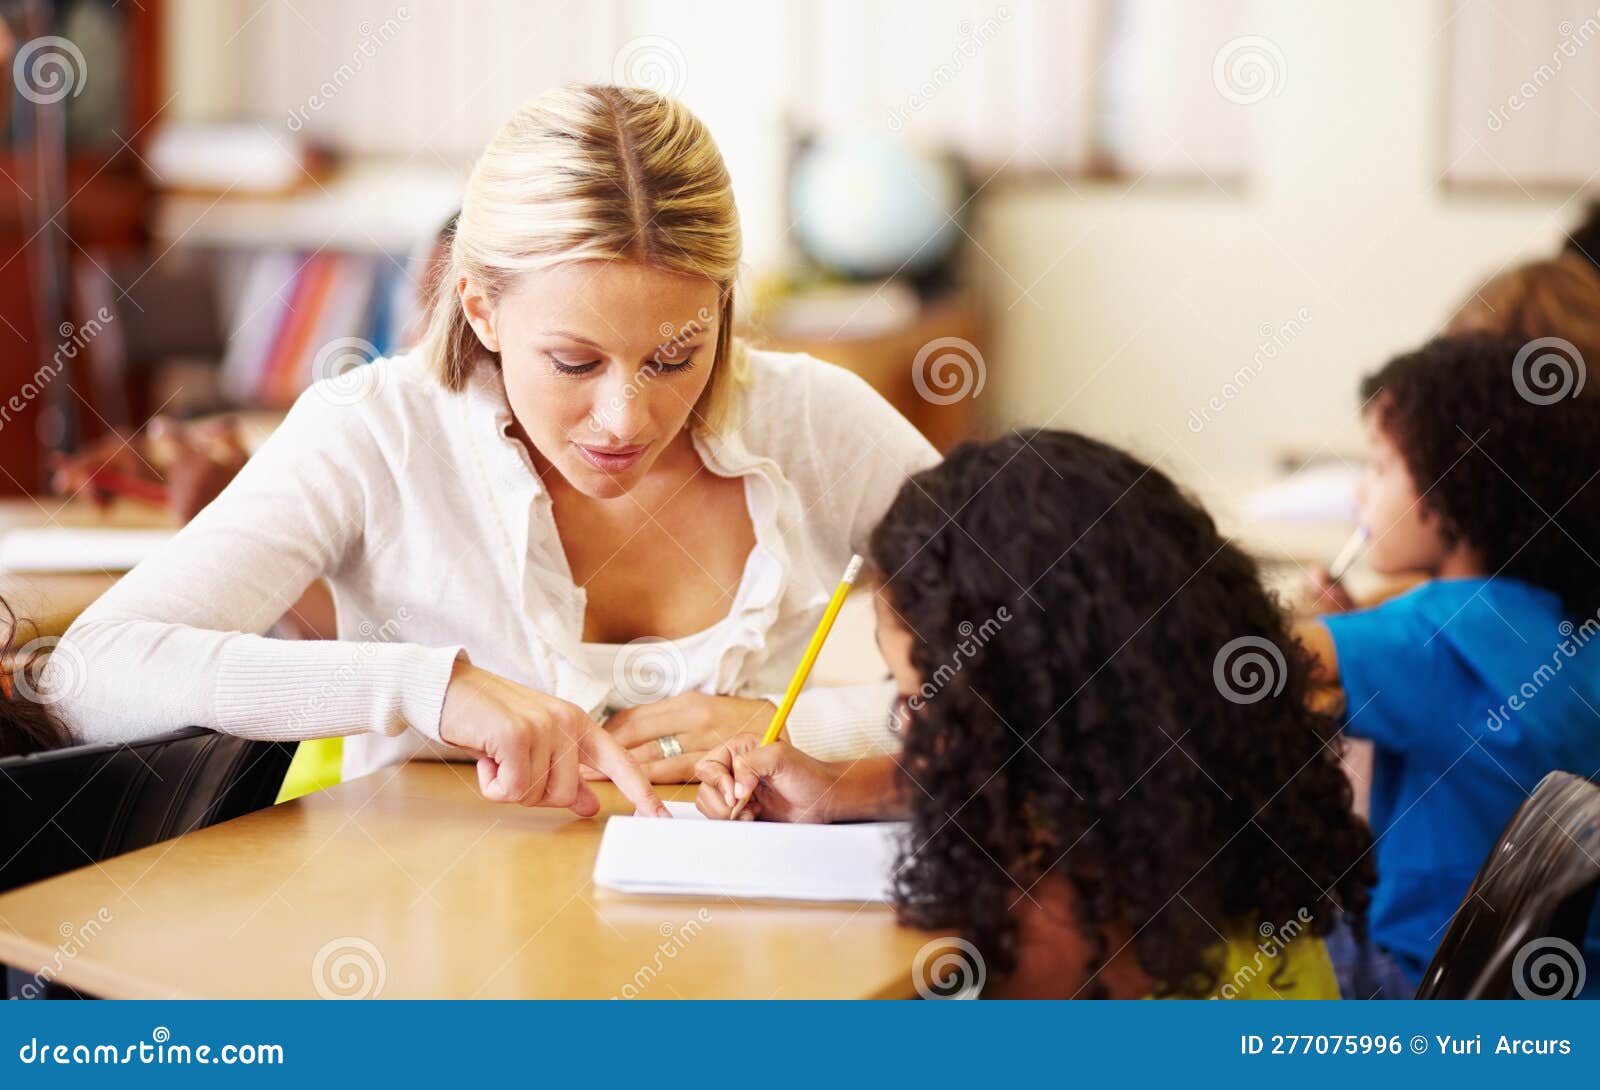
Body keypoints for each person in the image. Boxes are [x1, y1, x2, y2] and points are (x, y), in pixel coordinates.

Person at [52, 84, 937, 818]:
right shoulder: (374, 430)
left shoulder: (815, 421)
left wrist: (810, 732)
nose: (625, 418)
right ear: (479, 308)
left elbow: (1055, 654)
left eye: (675, 356)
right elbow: (91, 674)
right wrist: (427, 686)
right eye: (575, 361)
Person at [698, 431, 1373, 999]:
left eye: (916, 699)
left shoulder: (1064, 919)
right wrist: (841, 788)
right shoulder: (1180, 802)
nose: (910, 727)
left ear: (1026, 708)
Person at [1296, 333, 1600, 998]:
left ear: (1452, 484)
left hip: (1413, 987)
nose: (1360, 493)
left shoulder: (1433, 630)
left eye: (1380, 465)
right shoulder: (1558, 616)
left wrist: (1299, 621)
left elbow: (1255, 658)